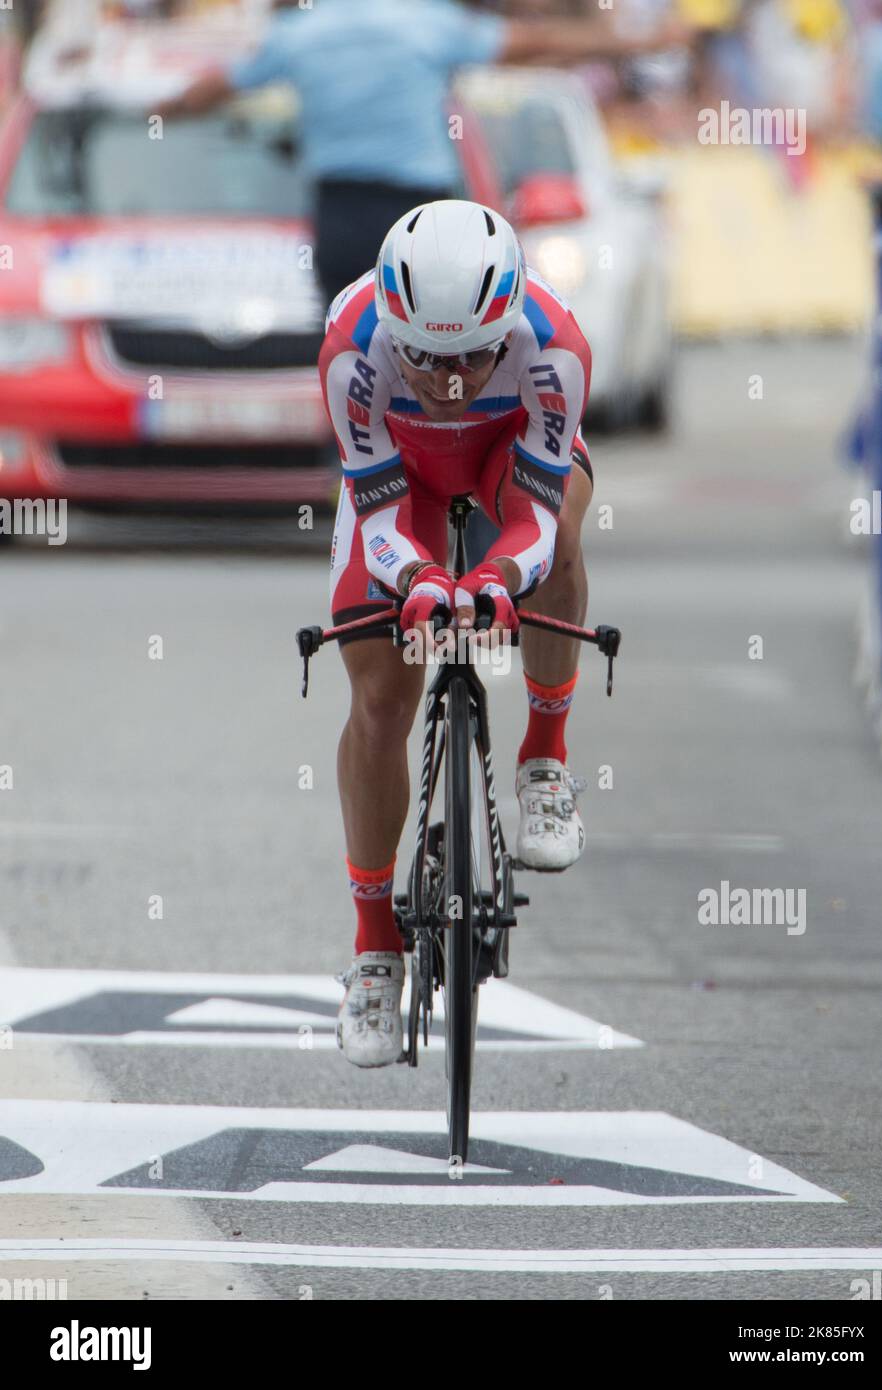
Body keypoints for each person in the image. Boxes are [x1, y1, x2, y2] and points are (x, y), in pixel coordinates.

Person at [320, 199, 595, 1067]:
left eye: (475, 356)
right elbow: (376, 512)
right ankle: (373, 949)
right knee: (379, 697)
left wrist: (497, 578)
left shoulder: (556, 346)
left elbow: (540, 516)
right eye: (426, 359)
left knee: (564, 543)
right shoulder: (350, 345)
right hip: (404, 477)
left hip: (510, 460)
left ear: (508, 320)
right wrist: (422, 581)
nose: (449, 381)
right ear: (393, 326)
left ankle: (543, 756)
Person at [156, 0, 688, 305]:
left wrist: (156, 113)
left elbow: (213, 88)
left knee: (354, 345)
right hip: (419, 216)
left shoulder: (301, 33)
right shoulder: (426, 23)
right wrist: (638, 43)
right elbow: (538, 41)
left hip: (341, 213)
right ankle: (448, 475)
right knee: (441, 339)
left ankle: (356, 477)